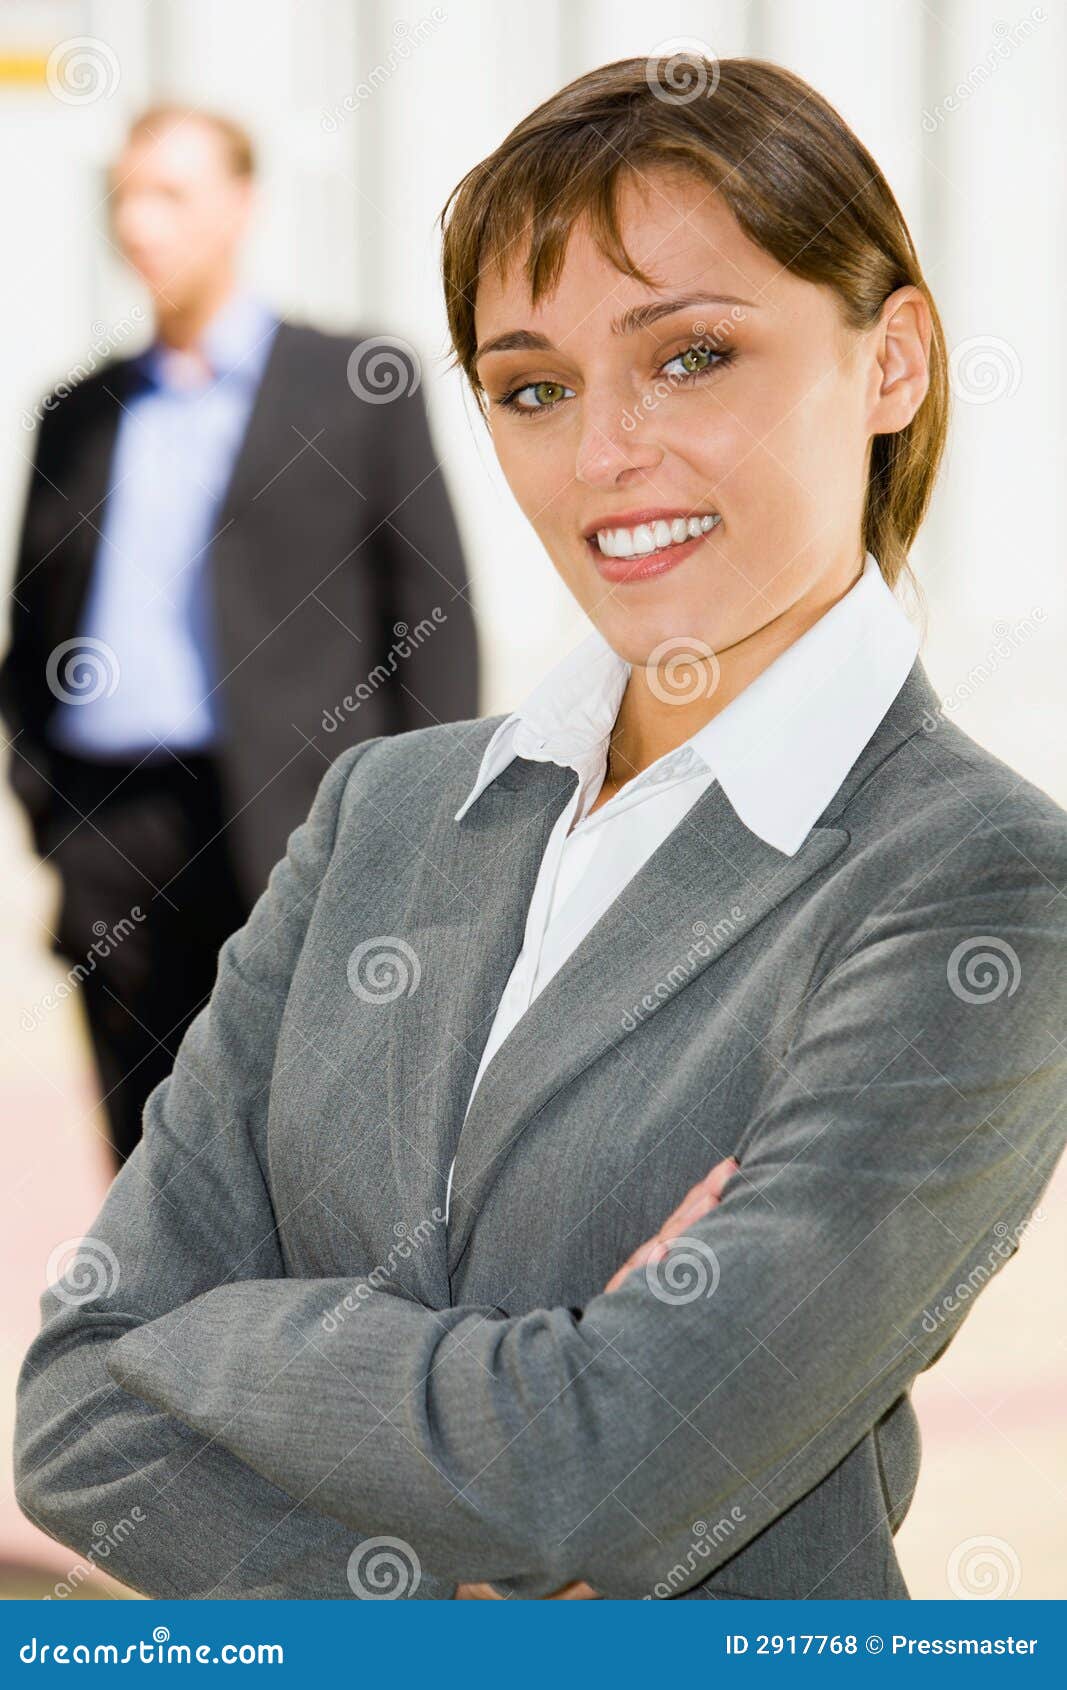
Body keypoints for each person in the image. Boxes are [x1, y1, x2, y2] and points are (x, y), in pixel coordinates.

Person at [13, 56, 1067, 1601]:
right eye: (531, 386)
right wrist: (515, 1457)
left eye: (692, 354)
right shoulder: (381, 811)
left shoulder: (974, 879)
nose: (602, 455)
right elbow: (72, 1408)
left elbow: (613, 1469)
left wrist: (221, 1342)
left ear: (892, 358)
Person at [0, 106, 478, 1168]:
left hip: (294, 827)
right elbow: (32, 632)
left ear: (243, 207)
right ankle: (159, 1339)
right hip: (112, 832)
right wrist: (51, 814)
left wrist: (422, 837)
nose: (138, 221)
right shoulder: (75, 411)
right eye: (123, 195)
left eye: (169, 193)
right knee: (145, 1161)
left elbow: (435, 622)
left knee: (305, 1151)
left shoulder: (356, 382)